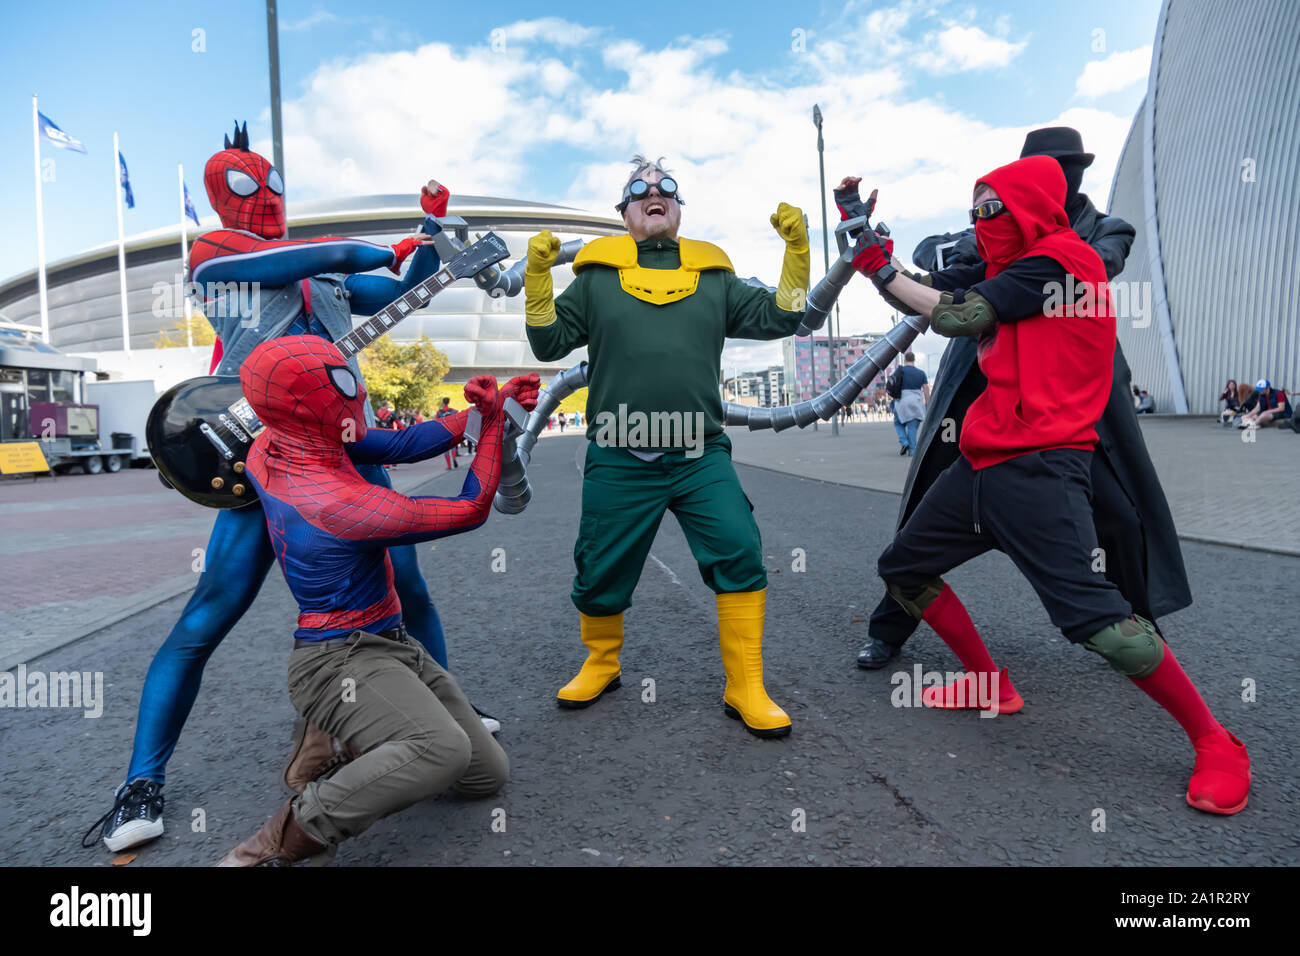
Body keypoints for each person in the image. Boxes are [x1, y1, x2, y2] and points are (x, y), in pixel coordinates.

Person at [84, 123, 472, 854]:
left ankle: (445, 715)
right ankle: (140, 781)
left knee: (409, 588)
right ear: (217, 192)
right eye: (244, 183)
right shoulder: (215, 256)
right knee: (210, 613)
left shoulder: (322, 277)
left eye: (270, 183)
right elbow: (327, 253)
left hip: (348, 447)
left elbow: (400, 287)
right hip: (263, 459)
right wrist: (374, 248)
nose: (264, 196)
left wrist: (428, 235)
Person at [850, 154, 1250, 815]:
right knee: (903, 567)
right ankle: (990, 684)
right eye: (972, 210)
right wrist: (868, 240)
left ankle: (1216, 740)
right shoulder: (1008, 267)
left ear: (1028, 207)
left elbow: (954, 314)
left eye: (988, 209)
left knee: (1102, 626)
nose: (978, 224)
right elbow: (932, 287)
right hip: (976, 466)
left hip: (1041, 469)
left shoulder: (1067, 261)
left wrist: (883, 268)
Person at [853, 127, 1190, 672]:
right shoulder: (996, 222)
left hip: (1071, 384)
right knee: (922, 519)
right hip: (982, 380)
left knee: (1122, 516)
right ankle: (890, 626)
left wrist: (1011, 267)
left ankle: (1132, 625)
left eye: (1063, 166)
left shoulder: (1100, 232)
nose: (1055, 177)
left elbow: (1084, 270)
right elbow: (942, 275)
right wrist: (883, 257)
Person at [217, 336, 539, 865]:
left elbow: (402, 444)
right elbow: (470, 509)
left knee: (484, 774)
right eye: (343, 383)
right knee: (443, 751)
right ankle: (277, 841)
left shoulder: (279, 441)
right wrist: (496, 427)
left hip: (390, 643)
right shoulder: (337, 503)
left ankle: (344, 736)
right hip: (336, 657)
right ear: (305, 403)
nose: (359, 389)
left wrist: (488, 407)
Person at [522, 154, 810, 737]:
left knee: (738, 549)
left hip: (699, 452)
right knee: (599, 567)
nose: (655, 194)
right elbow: (549, 343)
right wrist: (537, 278)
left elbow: (782, 317)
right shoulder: (596, 278)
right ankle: (602, 663)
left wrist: (796, 253)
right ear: (624, 214)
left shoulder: (715, 277)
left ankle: (745, 683)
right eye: (639, 190)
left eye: (666, 189)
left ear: (678, 210)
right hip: (618, 454)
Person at [890, 353, 928, 455]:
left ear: (905, 360)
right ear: (914, 360)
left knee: (898, 423)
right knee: (912, 427)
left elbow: (892, 385)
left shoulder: (899, 372)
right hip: (916, 403)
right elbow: (925, 388)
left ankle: (904, 441)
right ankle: (912, 450)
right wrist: (928, 402)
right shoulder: (921, 373)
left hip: (901, 402)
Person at [436, 396, 460, 469]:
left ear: (443, 403)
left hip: (444, 431)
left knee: (446, 449)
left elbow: (437, 421)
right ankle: (454, 458)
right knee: (453, 446)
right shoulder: (453, 411)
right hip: (452, 430)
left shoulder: (439, 412)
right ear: (448, 402)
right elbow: (458, 417)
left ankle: (449, 466)